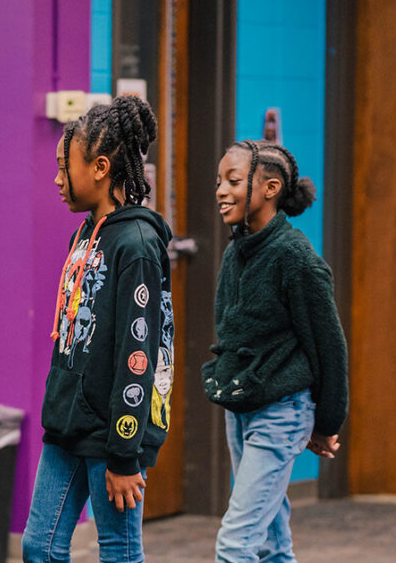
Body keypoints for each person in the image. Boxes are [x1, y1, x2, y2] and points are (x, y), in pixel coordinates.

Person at [22, 95, 175, 563]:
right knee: (39, 548)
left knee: (119, 552)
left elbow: (139, 353)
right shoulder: (85, 233)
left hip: (114, 435)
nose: (56, 179)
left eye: (64, 167)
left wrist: (125, 455)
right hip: (68, 425)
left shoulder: (139, 245)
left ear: (101, 167)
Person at [206, 140, 347, 562]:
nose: (220, 190)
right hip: (242, 406)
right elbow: (231, 332)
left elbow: (329, 348)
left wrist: (325, 422)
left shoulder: (295, 258)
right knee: (269, 542)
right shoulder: (236, 251)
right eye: (218, 181)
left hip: (283, 412)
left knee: (235, 544)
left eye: (233, 180)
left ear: (269, 188)